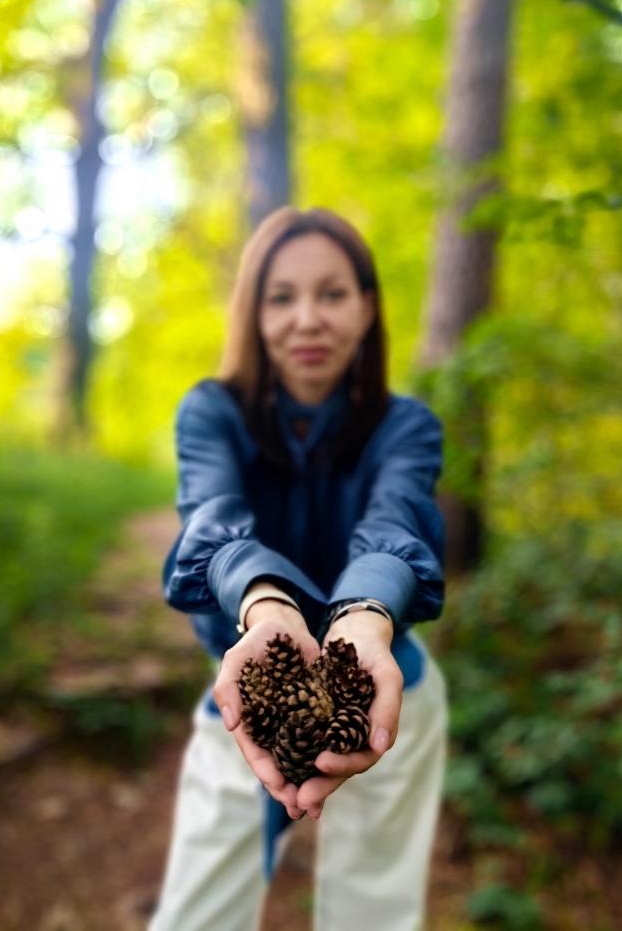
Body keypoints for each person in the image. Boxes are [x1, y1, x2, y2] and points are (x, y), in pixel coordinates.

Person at [148, 206, 448, 931]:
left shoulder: (405, 425)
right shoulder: (212, 412)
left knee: (371, 917)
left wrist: (361, 617)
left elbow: (393, 524)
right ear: (252, 312)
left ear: (367, 307)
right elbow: (212, 520)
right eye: (281, 296)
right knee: (195, 915)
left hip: (389, 695)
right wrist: (267, 604)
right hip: (245, 694)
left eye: (332, 293)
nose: (307, 318)